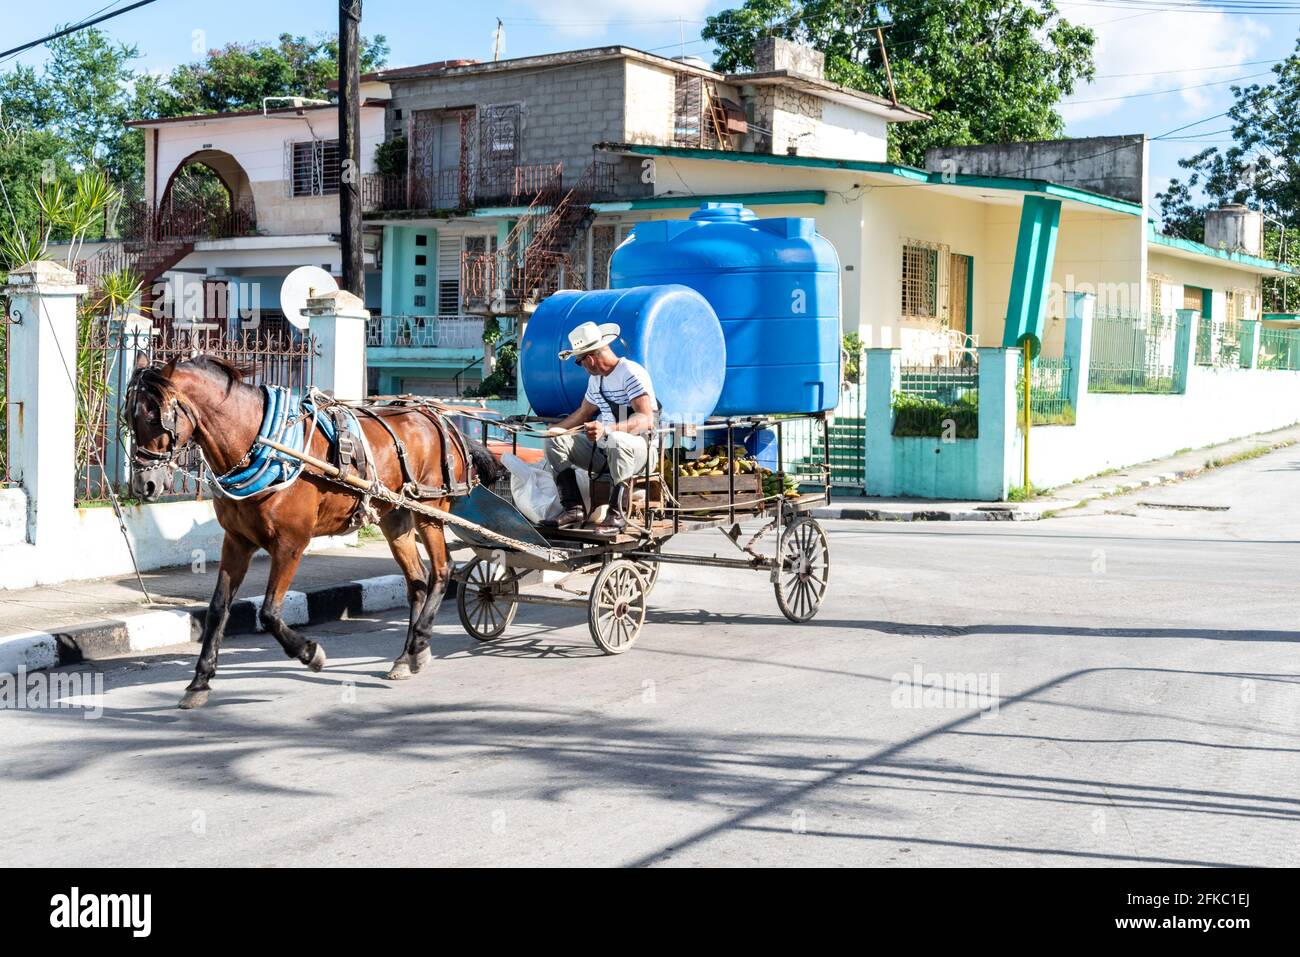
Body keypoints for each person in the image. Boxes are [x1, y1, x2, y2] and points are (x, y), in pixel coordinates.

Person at [542, 321, 656, 533]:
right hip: (604, 451)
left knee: (616, 440)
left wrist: (608, 429)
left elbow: (646, 419)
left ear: (591, 358)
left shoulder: (630, 373)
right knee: (554, 439)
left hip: (640, 451)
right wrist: (554, 430)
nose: (582, 366)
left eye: (579, 362)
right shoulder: (596, 381)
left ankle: (618, 514)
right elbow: (583, 413)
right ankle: (573, 508)